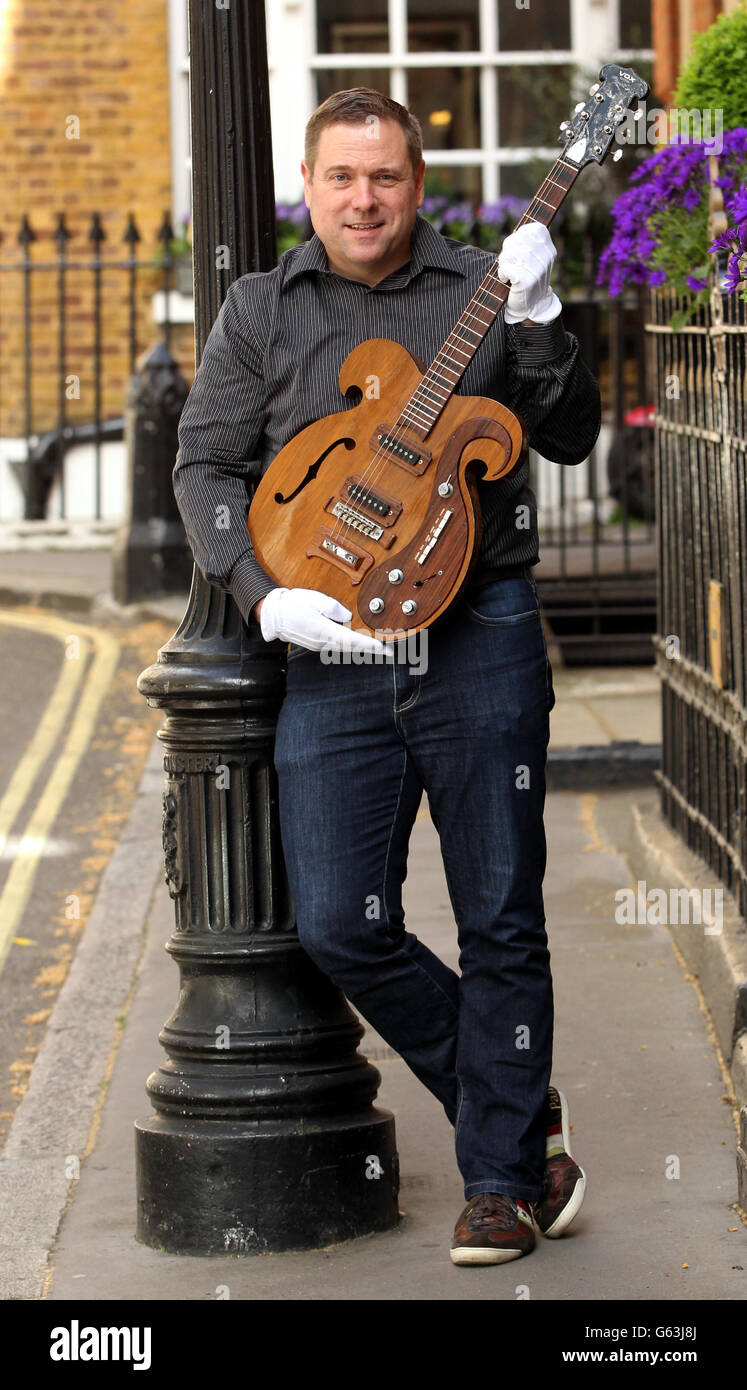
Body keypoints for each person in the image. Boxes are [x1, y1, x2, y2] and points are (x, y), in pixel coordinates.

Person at [173, 88, 600, 1265]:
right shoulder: (263, 309)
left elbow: (566, 435)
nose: (365, 200)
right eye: (342, 178)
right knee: (335, 921)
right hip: (335, 653)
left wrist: (546, 314)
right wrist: (265, 595)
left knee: (500, 914)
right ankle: (515, 1106)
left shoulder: (486, 285)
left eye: (388, 178)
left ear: (420, 183)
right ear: (307, 186)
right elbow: (206, 458)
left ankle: (503, 1182)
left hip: (483, 637)